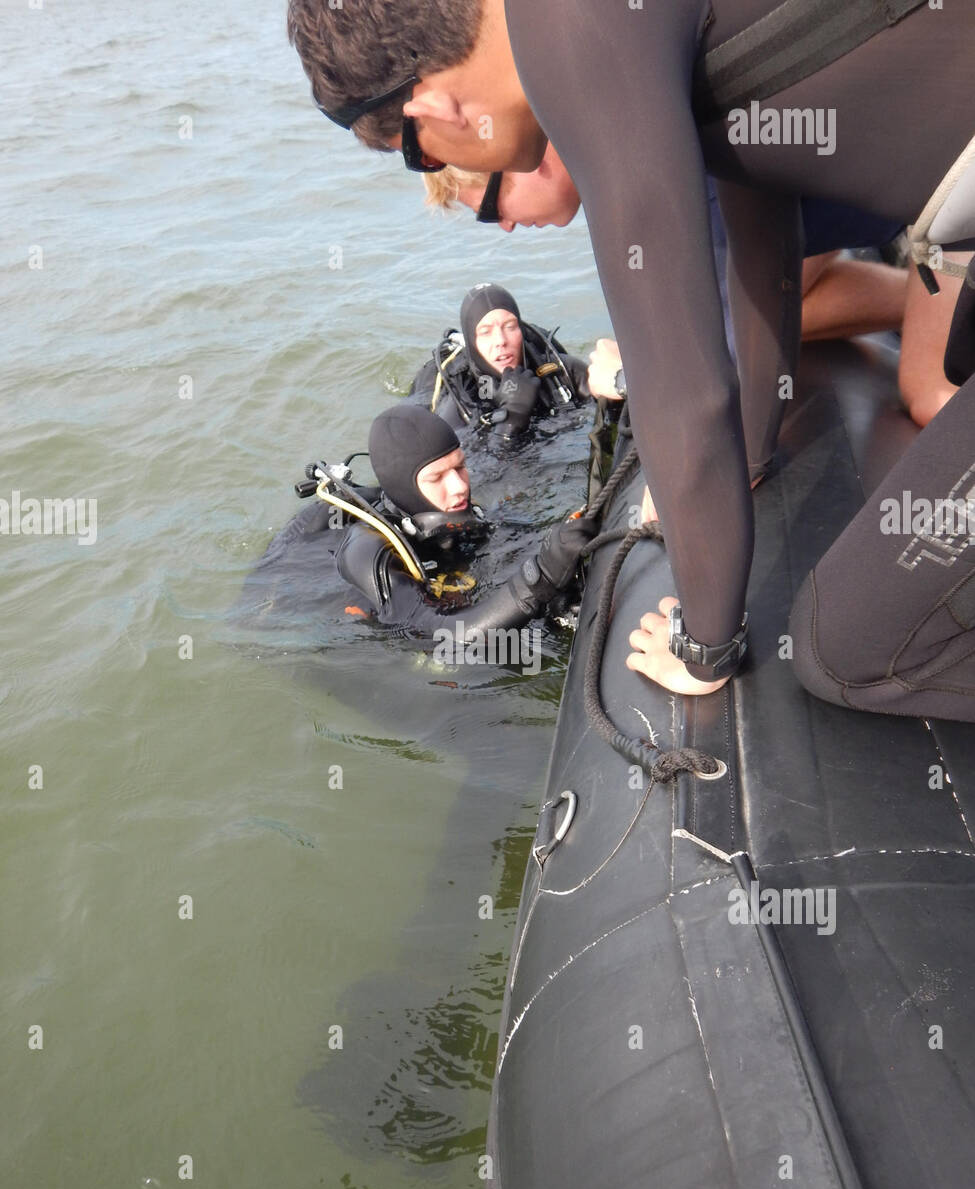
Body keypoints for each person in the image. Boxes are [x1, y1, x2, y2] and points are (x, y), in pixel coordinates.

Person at [287, 0, 975, 720]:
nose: (442, 169)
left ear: (436, 107)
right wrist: (744, 452)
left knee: (845, 650)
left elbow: (681, 380)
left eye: (421, 155)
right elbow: (763, 245)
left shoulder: (571, 36)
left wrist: (706, 642)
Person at [425, 153, 967, 431]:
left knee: (927, 396)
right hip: (885, 197)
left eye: (494, 206)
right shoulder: (626, 156)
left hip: (953, 178)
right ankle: (929, 301)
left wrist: (631, 376)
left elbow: (727, 375)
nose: (505, 228)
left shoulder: (680, 183)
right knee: (781, 304)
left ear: (524, 160)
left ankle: (955, 300)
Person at [295, 402, 596, 644]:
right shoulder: (367, 550)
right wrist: (540, 576)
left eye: (460, 467)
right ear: (404, 487)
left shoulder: (453, 511)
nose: (459, 487)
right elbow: (439, 634)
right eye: (437, 477)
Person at [409, 283, 590, 439]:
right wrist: (513, 416)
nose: (501, 341)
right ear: (472, 342)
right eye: (486, 332)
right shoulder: (458, 407)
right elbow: (481, 475)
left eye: (510, 327)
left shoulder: (563, 372)